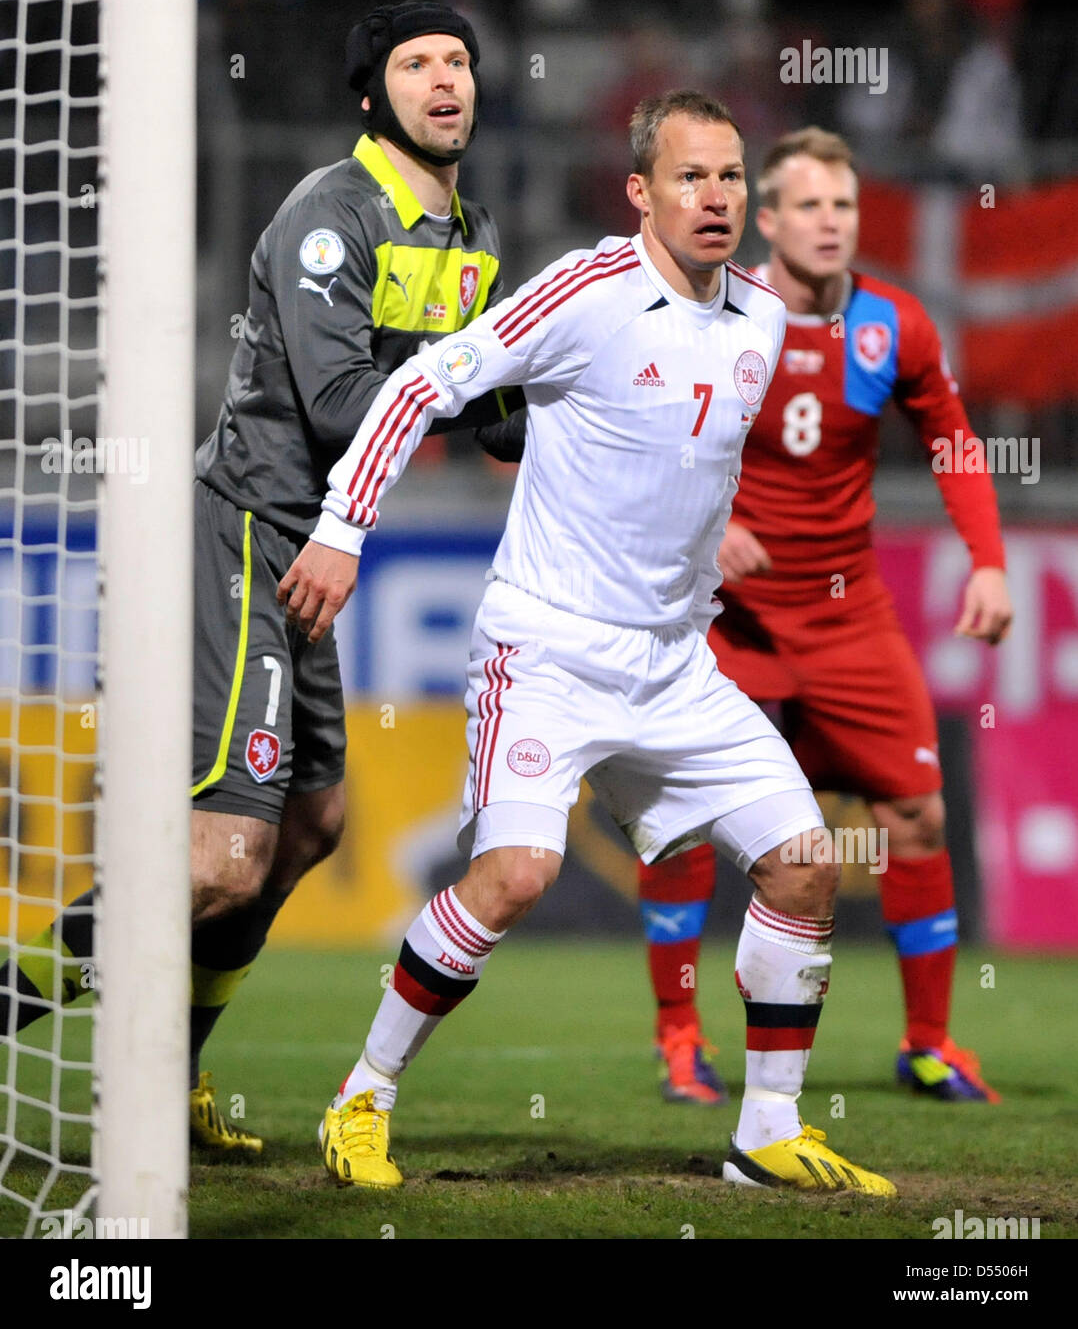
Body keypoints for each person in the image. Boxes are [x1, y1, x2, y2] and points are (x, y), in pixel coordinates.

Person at [280, 91, 897, 1196]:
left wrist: (716, 544)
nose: (711, 198)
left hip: (673, 665)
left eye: (726, 179)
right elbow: (425, 381)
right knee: (516, 875)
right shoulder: (587, 291)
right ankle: (361, 1100)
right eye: (687, 178)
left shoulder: (760, 317)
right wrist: (340, 531)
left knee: (806, 869)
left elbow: (685, 457)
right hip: (549, 651)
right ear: (640, 192)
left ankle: (764, 1130)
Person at [0, 0, 518, 1152]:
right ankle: (14, 1002)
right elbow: (342, 406)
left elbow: (489, 419)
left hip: (319, 547)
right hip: (249, 531)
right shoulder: (329, 218)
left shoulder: (471, 236)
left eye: (460, 62)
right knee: (225, 859)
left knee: (311, 825)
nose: (446, 80)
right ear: (370, 95)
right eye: (416, 63)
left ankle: (170, 1079)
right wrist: (471, 387)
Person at [635, 126, 1012, 1107]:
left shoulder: (894, 326)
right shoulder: (713, 314)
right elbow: (634, 439)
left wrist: (989, 563)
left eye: (843, 206)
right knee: (680, 830)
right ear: (769, 219)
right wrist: (701, 529)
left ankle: (926, 1042)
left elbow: (956, 442)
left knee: (916, 817)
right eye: (808, 205)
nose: (830, 223)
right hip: (726, 624)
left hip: (849, 621)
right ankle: (680, 1037)